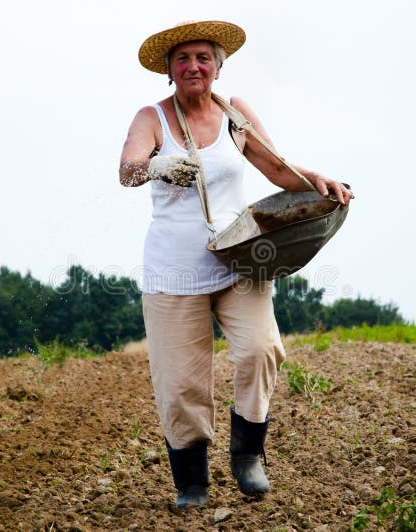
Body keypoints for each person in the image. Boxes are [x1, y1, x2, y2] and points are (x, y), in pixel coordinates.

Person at [118, 20, 353, 509]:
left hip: (240, 260)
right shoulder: (152, 118)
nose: (193, 66)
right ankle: (192, 483)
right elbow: (127, 169)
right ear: (169, 71)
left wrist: (317, 181)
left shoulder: (234, 113)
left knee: (261, 350)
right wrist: (156, 165)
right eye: (182, 59)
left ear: (218, 68)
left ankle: (248, 455)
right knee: (181, 383)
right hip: (173, 272)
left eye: (203, 57)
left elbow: (276, 167)